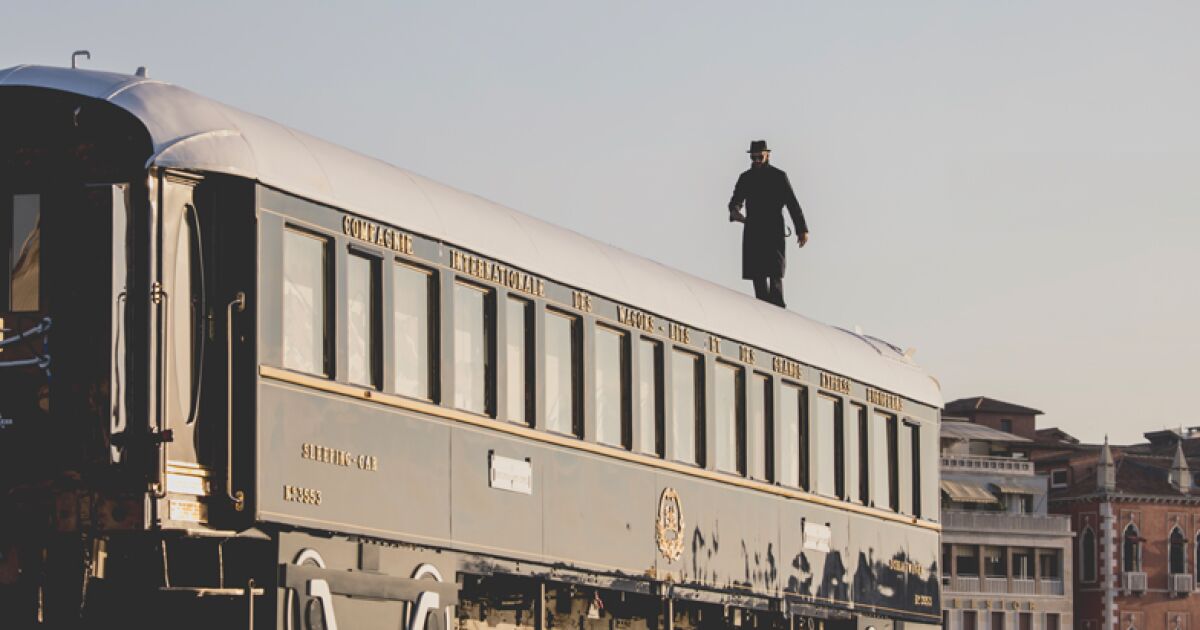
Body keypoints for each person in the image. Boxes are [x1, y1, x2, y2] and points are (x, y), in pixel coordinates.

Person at [727, 140, 809, 308]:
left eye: (759, 157)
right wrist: (735, 212)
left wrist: (802, 230)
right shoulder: (746, 178)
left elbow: (793, 204)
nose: (756, 161)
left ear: (767, 155)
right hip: (754, 230)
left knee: (775, 275)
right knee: (758, 278)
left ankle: (778, 312)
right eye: (753, 157)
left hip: (774, 231)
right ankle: (763, 313)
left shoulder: (778, 176)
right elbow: (735, 201)